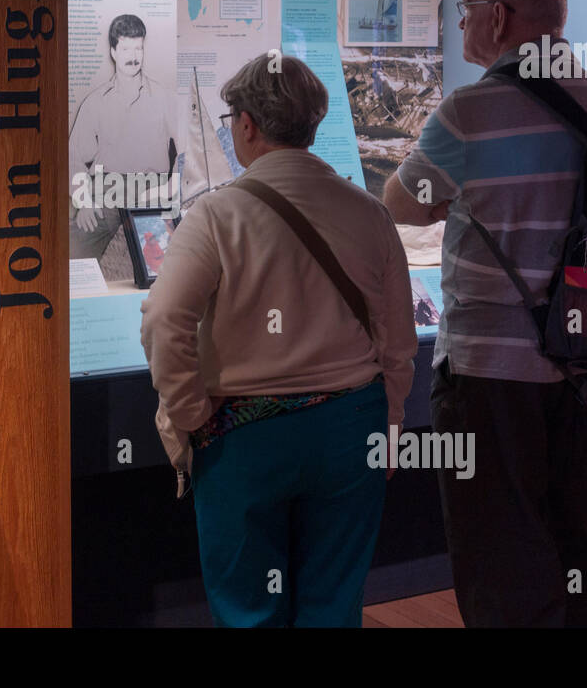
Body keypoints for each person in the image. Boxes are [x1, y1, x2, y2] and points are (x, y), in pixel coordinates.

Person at [383, 0, 587, 627]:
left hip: (490, 372)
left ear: (498, 18)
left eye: (467, 7)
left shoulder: (469, 109)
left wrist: (459, 200)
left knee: (501, 546)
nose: (462, 19)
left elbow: (402, 202)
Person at [141, 53, 417, 627]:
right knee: (334, 600)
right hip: (350, 426)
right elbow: (398, 338)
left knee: (248, 607)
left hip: (244, 434)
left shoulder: (215, 216)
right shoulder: (369, 212)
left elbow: (164, 320)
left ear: (246, 125)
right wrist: (389, 425)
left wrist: (191, 412)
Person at [68, 14, 178, 260]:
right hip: (106, 196)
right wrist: (83, 199)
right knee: (69, 256)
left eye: (138, 47)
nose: (133, 56)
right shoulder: (95, 102)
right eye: (126, 48)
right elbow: (73, 157)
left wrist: (173, 187)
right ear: (113, 52)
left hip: (153, 197)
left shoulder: (165, 98)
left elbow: (189, 151)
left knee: (164, 269)